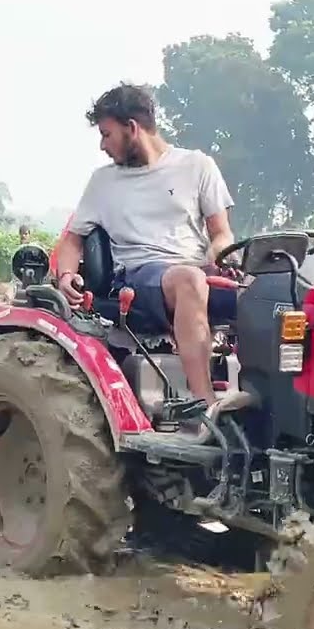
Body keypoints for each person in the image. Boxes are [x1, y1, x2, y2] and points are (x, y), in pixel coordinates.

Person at [52, 83, 236, 406]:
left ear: (132, 129)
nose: (102, 145)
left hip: (197, 271)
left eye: (106, 134)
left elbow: (221, 234)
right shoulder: (103, 182)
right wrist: (66, 276)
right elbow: (72, 240)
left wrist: (220, 253)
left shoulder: (197, 166)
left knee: (271, 291)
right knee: (189, 281)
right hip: (139, 277)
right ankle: (205, 406)